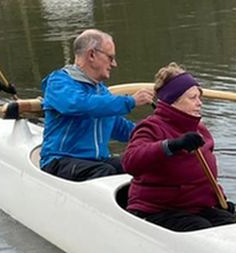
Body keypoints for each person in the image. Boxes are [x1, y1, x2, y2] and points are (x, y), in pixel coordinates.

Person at [121, 63, 235, 231]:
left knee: (233, 226)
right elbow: (130, 162)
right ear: (173, 101)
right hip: (158, 210)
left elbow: (206, 176)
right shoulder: (151, 127)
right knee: (200, 228)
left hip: (195, 208)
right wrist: (172, 146)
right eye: (193, 98)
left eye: (200, 97)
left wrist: (220, 199)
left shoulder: (200, 129)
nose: (199, 103)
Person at [39, 29, 154, 181]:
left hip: (94, 162)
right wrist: (130, 101)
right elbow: (77, 105)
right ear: (91, 55)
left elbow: (119, 127)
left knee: (140, 165)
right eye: (110, 57)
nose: (114, 64)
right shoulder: (58, 82)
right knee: (104, 171)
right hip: (59, 161)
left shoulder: (102, 91)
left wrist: (159, 137)